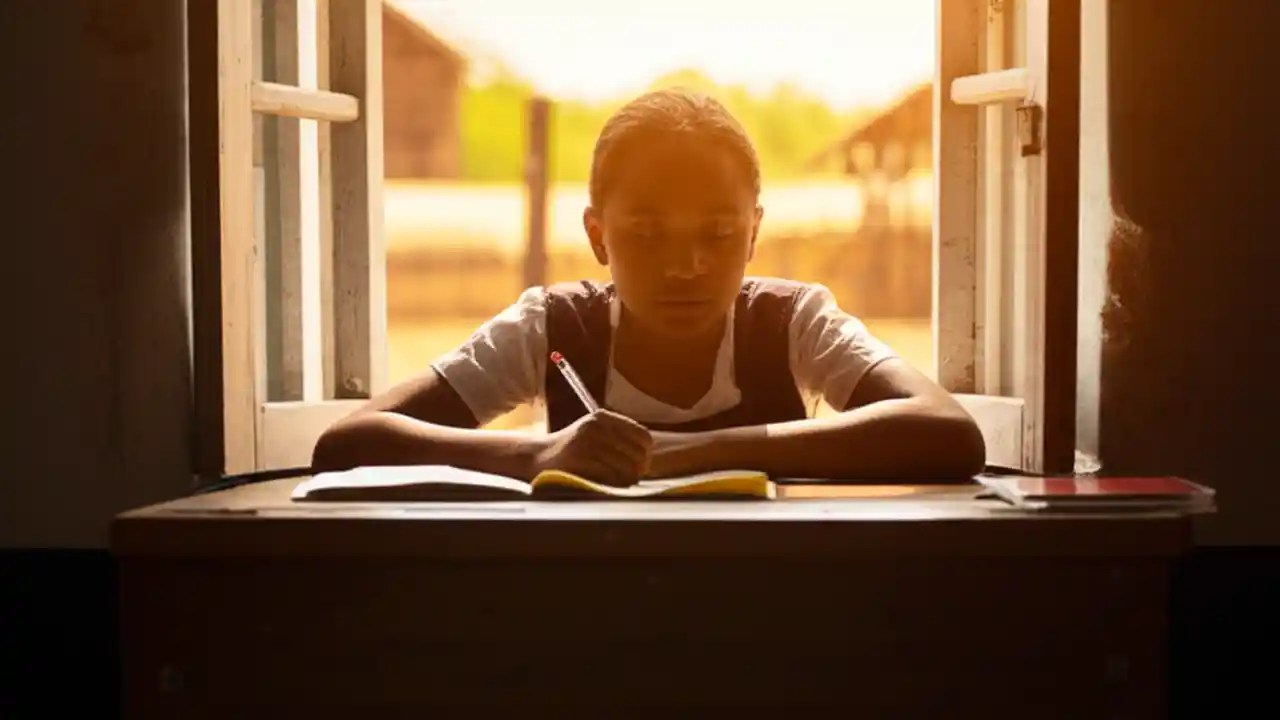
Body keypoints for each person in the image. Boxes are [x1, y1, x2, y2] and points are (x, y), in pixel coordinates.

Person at [312, 88, 985, 485]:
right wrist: (537, 454)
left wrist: (690, 453)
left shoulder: (791, 320)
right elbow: (347, 446)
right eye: (646, 233)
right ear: (599, 237)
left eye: (717, 235)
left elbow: (946, 433)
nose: (685, 265)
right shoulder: (554, 330)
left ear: (754, 234)